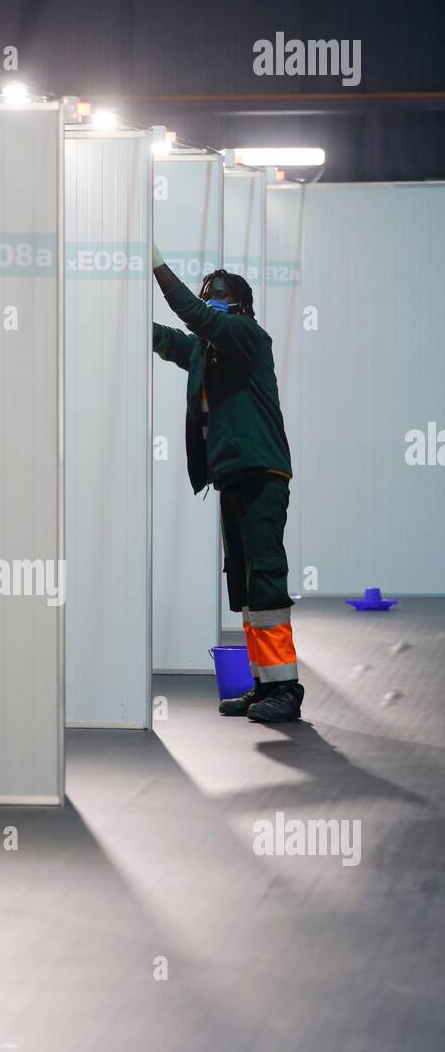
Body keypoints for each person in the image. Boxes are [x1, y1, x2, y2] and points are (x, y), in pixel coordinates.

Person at [151, 242, 303, 723]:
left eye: (216, 295)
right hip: (233, 477)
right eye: (206, 293)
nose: (208, 300)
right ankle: (264, 684)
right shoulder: (205, 351)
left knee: (264, 572)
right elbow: (168, 338)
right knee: (243, 579)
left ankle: (286, 687)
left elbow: (196, 317)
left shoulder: (245, 336)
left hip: (261, 472)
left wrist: (155, 265)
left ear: (237, 305)